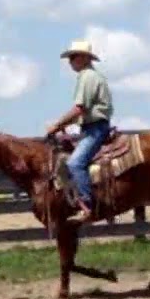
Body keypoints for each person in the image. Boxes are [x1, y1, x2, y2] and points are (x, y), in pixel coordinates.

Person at [45, 39, 114, 224]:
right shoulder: (90, 76)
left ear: (84, 58)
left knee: (75, 163)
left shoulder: (87, 77)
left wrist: (57, 125)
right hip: (91, 127)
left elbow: (79, 109)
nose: (70, 61)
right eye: (70, 57)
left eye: (73, 56)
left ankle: (87, 206)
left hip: (95, 128)